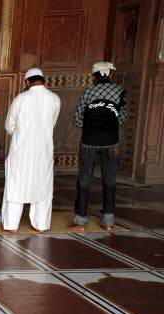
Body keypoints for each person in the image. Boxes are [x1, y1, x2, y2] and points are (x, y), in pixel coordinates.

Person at [0, 68, 61, 233]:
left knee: (16, 186)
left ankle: (11, 225)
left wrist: (19, 132)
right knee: (42, 186)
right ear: (43, 79)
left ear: (27, 82)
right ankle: (41, 225)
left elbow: (9, 126)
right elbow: (51, 124)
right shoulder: (54, 99)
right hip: (44, 151)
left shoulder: (21, 99)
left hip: (21, 152)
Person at [69, 61, 127, 233]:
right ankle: (108, 222)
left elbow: (77, 120)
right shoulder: (120, 91)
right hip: (111, 143)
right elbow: (122, 118)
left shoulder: (87, 92)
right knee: (109, 181)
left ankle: (80, 221)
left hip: (88, 142)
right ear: (110, 75)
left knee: (84, 182)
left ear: (93, 77)